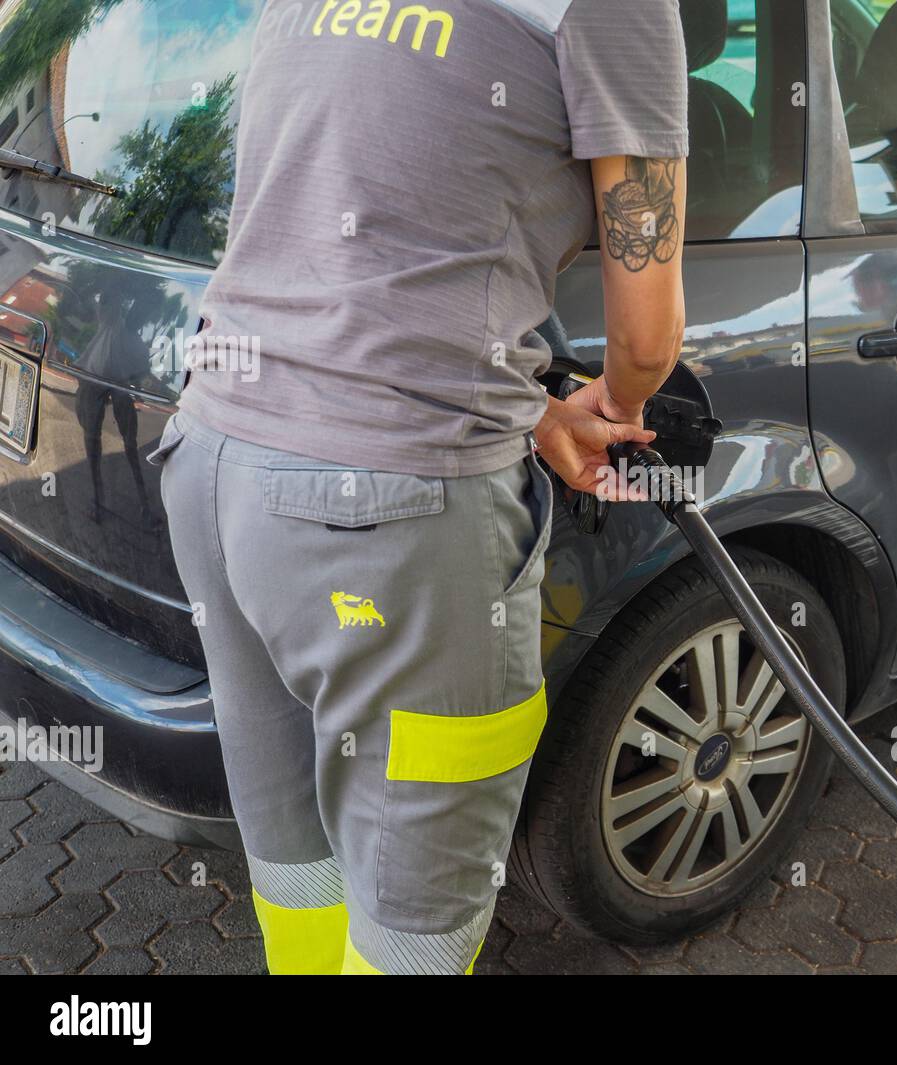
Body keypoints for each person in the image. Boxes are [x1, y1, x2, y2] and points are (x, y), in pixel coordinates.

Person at [148, 0, 688, 975]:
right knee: (416, 928)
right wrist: (616, 402)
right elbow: (646, 334)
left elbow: (350, 249)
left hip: (213, 461)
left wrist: (531, 410)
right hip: (389, 511)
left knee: (296, 867)